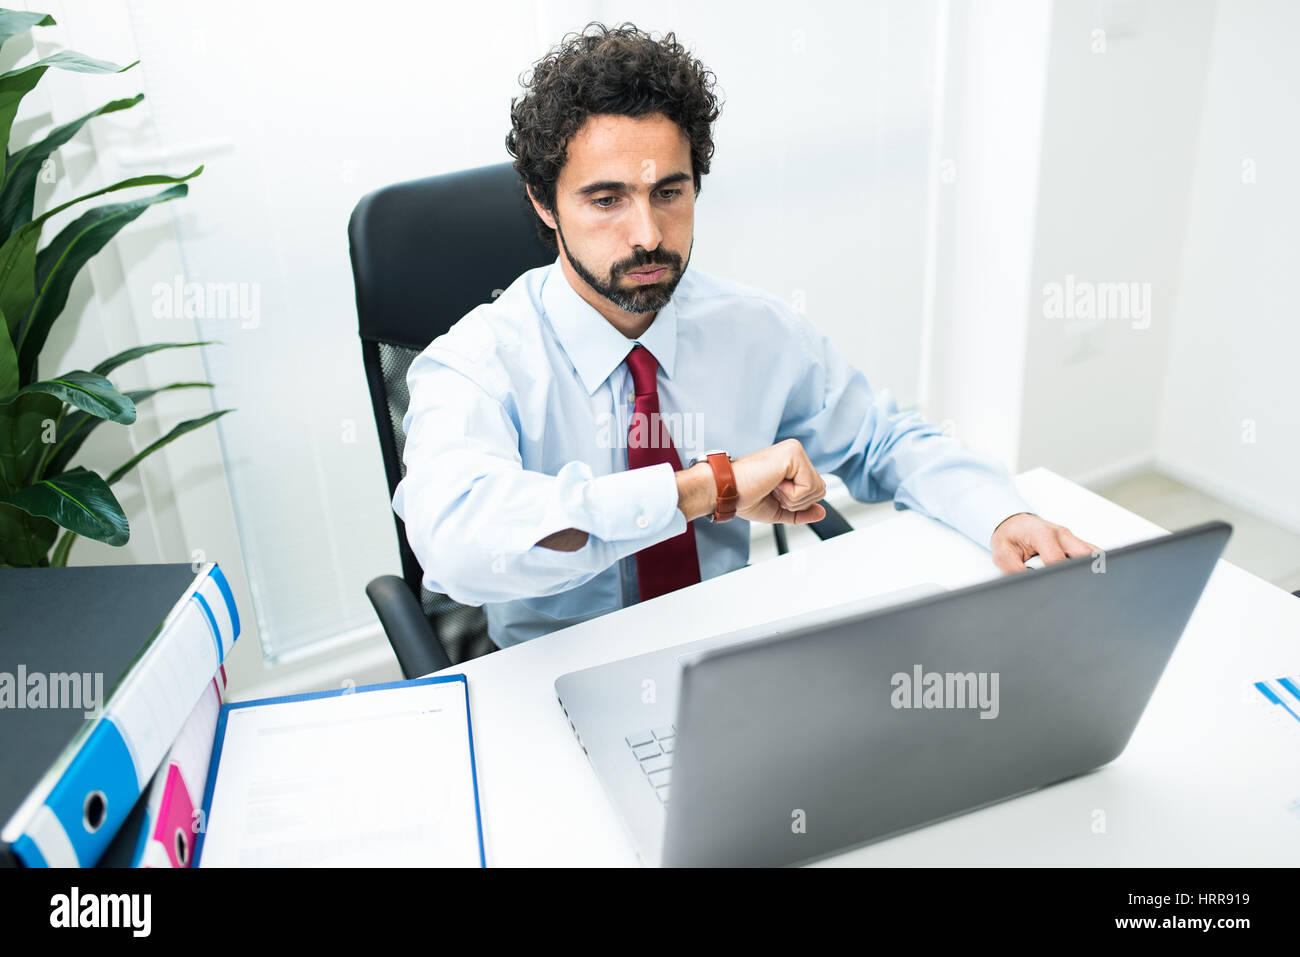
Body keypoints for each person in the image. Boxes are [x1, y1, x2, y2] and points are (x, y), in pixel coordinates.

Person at [392, 21, 1097, 650]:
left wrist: (1001, 513)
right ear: (544, 203)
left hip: (730, 650)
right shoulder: (475, 364)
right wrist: (702, 489)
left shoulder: (751, 329)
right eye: (606, 200)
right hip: (551, 676)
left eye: (669, 192)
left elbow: (882, 439)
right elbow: (455, 545)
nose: (646, 235)